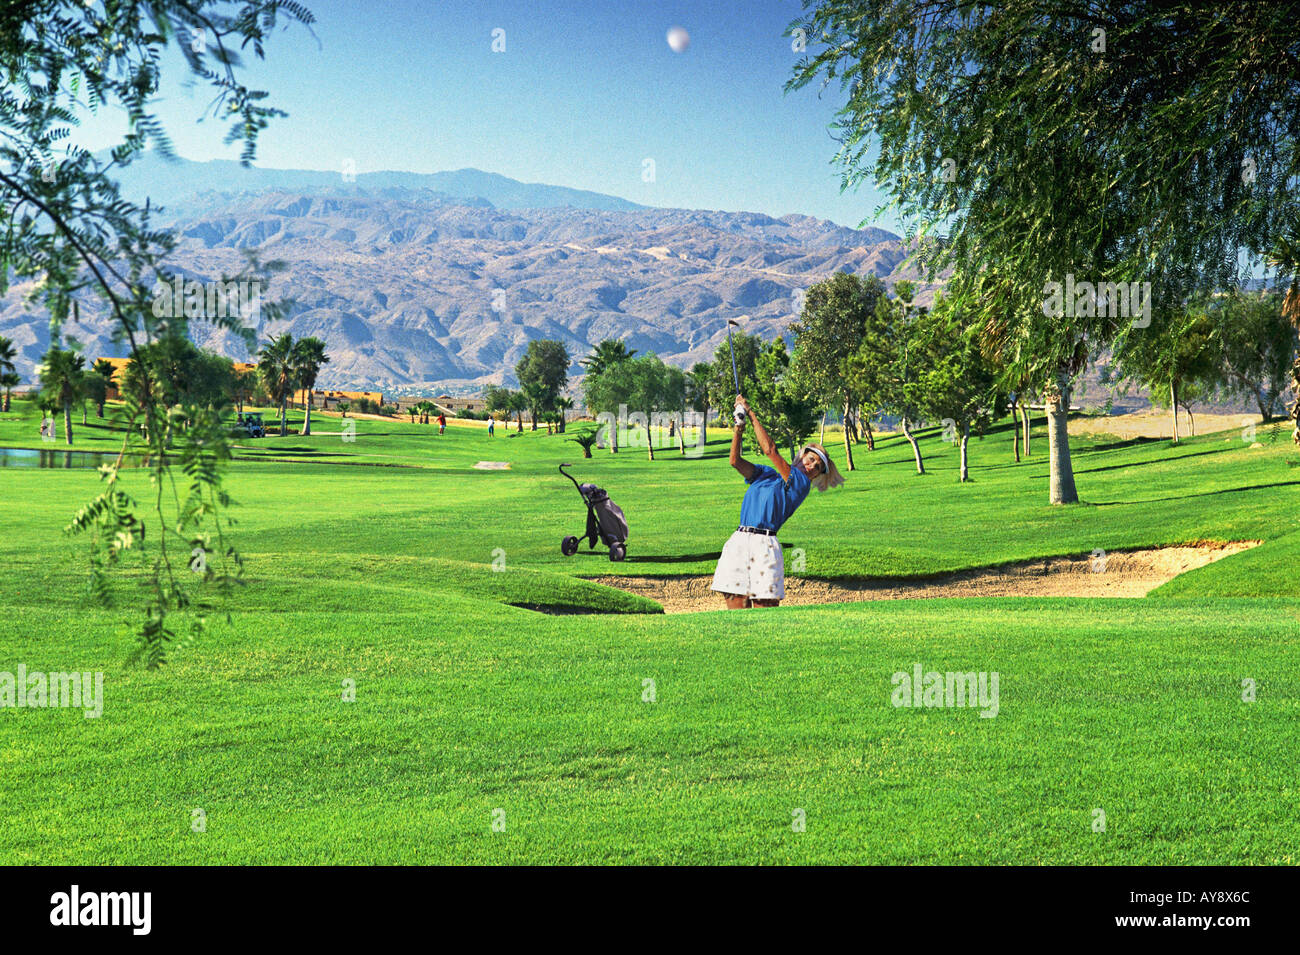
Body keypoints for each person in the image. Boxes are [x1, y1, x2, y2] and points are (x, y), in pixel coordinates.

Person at [711, 394, 844, 609]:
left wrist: (751, 413)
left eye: (817, 467)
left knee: (765, 610)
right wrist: (739, 426)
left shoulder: (801, 484)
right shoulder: (766, 473)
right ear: (801, 456)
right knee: (735, 605)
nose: (811, 466)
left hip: (765, 544)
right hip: (739, 540)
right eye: (810, 459)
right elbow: (735, 461)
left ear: (817, 475)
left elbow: (770, 450)